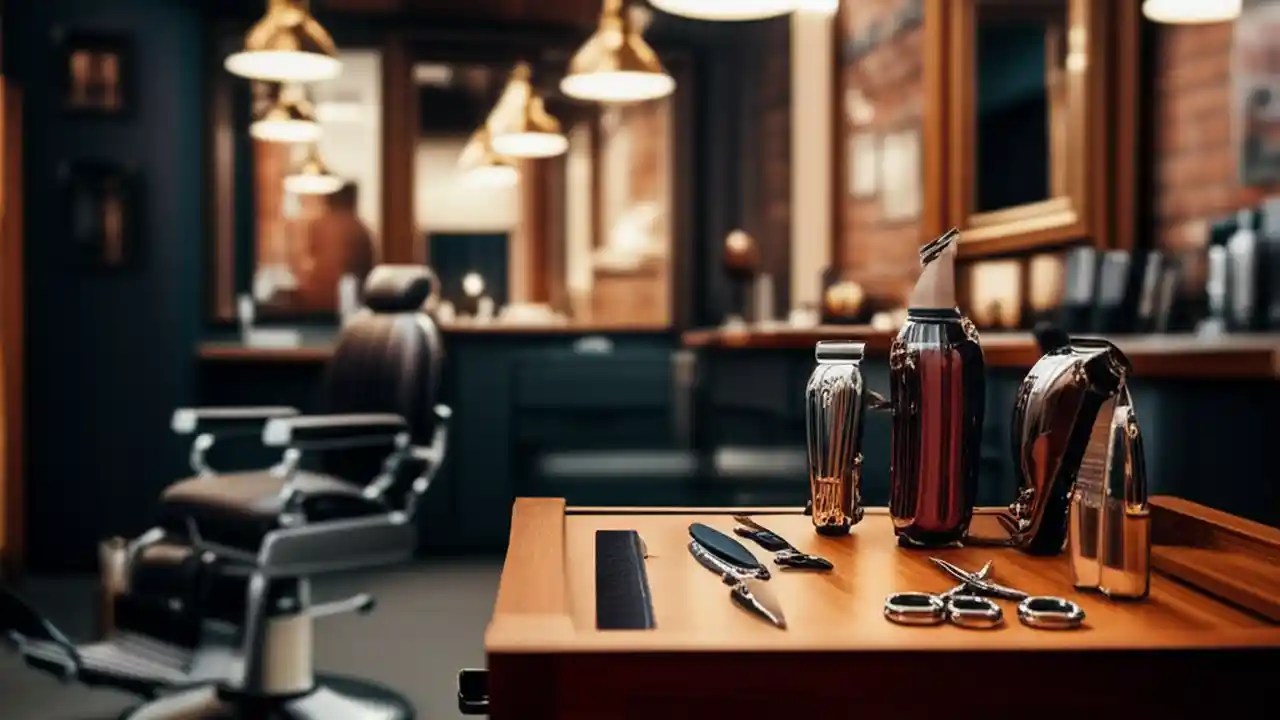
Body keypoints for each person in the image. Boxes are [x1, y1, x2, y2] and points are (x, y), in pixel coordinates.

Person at [295, 182, 377, 314]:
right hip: (337, 298)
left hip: (322, 297)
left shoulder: (321, 224)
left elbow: (310, 254)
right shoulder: (359, 228)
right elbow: (369, 268)